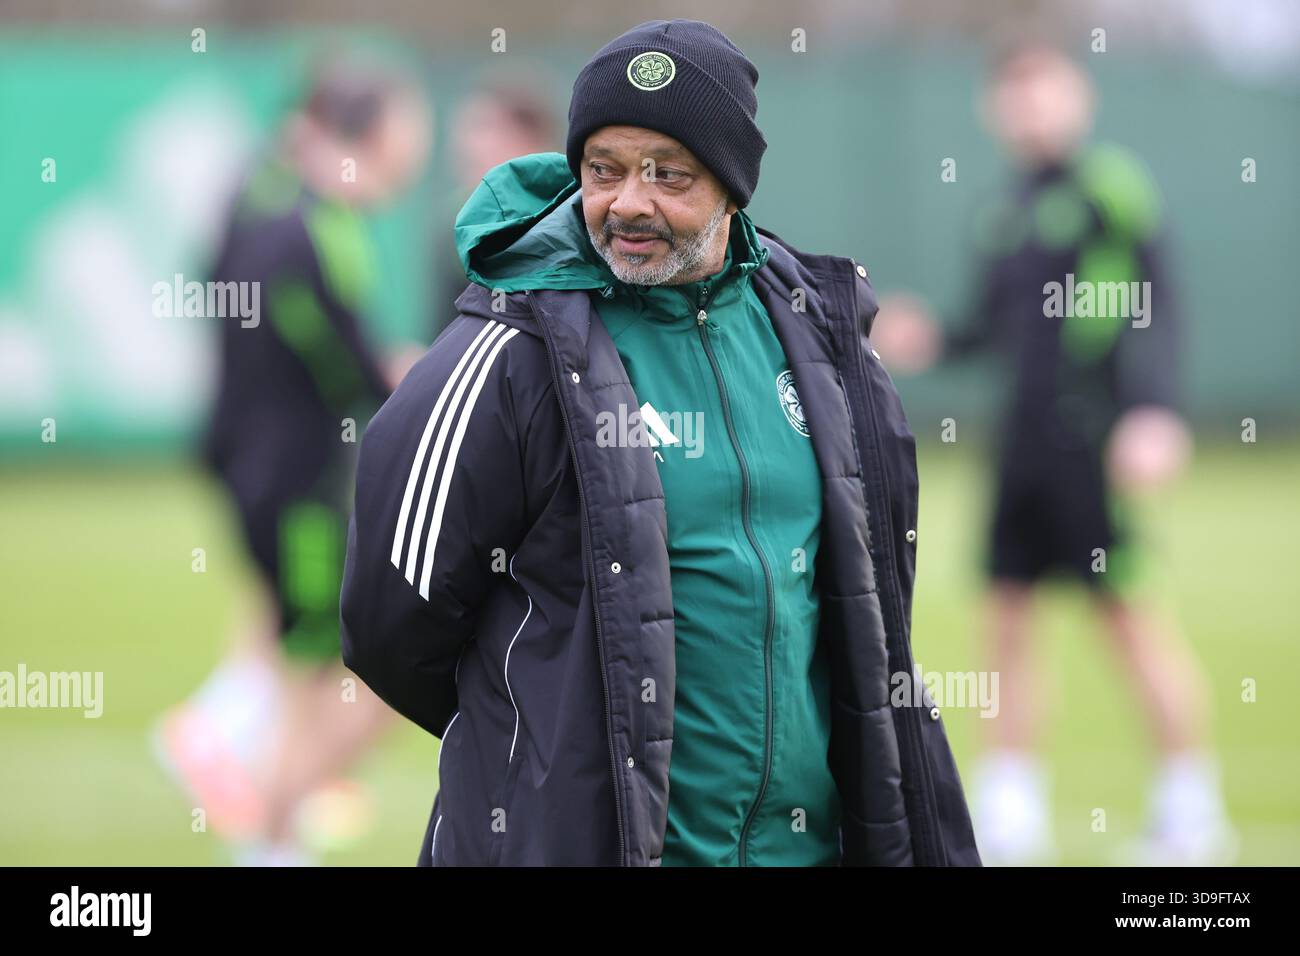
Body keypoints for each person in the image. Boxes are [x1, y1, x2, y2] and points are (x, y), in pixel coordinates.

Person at [340, 19, 979, 867]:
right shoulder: (512, 348)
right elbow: (391, 623)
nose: (629, 201)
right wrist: (543, 758)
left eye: (667, 174)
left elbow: (873, 602)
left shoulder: (819, 333)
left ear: (732, 184)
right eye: (603, 169)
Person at [872, 41, 1235, 865]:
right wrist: (925, 335)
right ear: (994, 109)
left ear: (1078, 97)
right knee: (1004, 621)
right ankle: (1011, 809)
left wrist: (1152, 411)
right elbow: (986, 330)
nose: (1029, 108)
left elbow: (1159, 302)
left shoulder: (1109, 189)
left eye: (1044, 91)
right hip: (1022, 447)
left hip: (1094, 441)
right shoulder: (1004, 209)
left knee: (1128, 620)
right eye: (1013, 94)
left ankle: (1191, 808)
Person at [154, 61, 432, 866]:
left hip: (256, 463)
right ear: (363, 138)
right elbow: (337, 355)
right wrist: (402, 380)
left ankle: (252, 770)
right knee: (348, 673)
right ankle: (266, 811)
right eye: (401, 142)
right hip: (294, 479)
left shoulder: (267, 200)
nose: (407, 163)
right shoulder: (307, 224)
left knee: (307, 655)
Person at [428, 78, 559, 341]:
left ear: (529, 141)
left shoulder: (566, 219)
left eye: (483, 127)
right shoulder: (455, 226)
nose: (466, 143)